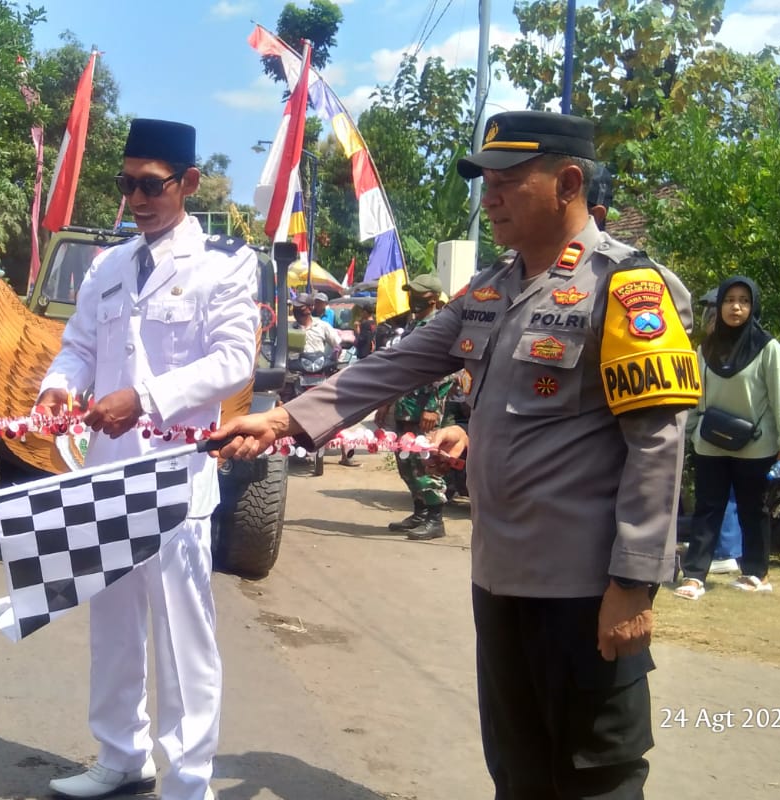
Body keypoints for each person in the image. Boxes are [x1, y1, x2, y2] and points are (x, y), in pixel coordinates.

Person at [211, 111, 701, 799]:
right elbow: (398, 364)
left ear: (567, 182)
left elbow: (656, 444)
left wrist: (633, 583)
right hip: (499, 577)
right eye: (486, 183)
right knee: (518, 764)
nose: (489, 198)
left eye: (506, 182)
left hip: (583, 586)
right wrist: (286, 419)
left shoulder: (626, 287)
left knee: (596, 773)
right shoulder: (495, 287)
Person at [37, 118, 257, 800]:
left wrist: (149, 398)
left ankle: (189, 782)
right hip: (105, 473)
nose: (137, 198)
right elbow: (78, 345)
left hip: (173, 481)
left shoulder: (224, 262)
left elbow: (232, 360)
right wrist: (57, 386)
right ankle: (121, 755)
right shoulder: (107, 264)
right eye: (127, 183)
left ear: (188, 183)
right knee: (113, 630)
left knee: (183, 642)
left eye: (152, 184)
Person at [674, 277, 780, 599]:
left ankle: (755, 574)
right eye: (729, 300)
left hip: (756, 444)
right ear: (719, 306)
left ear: (753, 306)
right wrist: (684, 435)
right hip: (710, 443)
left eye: (744, 301)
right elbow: (696, 396)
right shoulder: (705, 348)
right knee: (708, 508)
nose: (736, 307)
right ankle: (694, 577)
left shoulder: (767, 348)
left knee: (754, 509)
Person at [381, 272, 456, 541]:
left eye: (418, 294)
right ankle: (420, 512)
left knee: (425, 462)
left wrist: (433, 408)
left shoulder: (441, 326)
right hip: (405, 406)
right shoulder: (414, 326)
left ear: (433, 298)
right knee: (406, 462)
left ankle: (435, 519)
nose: (412, 299)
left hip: (424, 408)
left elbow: (446, 372)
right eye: (410, 293)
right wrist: (386, 402)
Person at [289, 298, 340, 374]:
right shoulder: (290, 329)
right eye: (295, 308)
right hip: (297, 371)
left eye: (300, 307)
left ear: (310, 308)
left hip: (320, 369)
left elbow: (337, 345)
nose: (296, 311)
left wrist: (336, 358)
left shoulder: (322, 326)